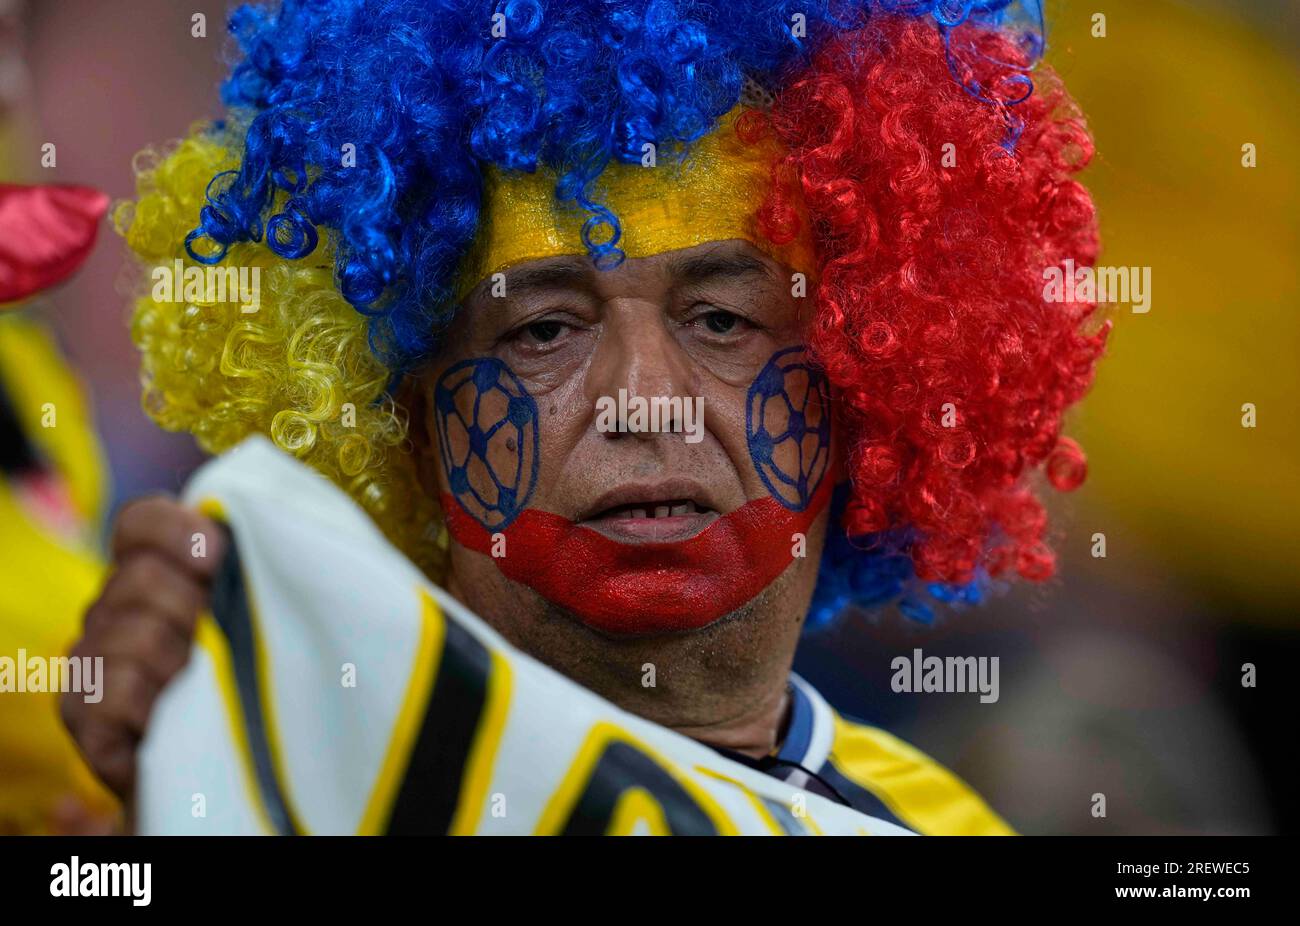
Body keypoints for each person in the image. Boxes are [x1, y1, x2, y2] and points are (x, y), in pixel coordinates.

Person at [63, 0, 1105, 835]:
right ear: (410, 423)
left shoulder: (944, 823)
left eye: (722, 318)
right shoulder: (306, 764)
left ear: (864, 377)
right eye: (544, 330)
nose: (642, 397)